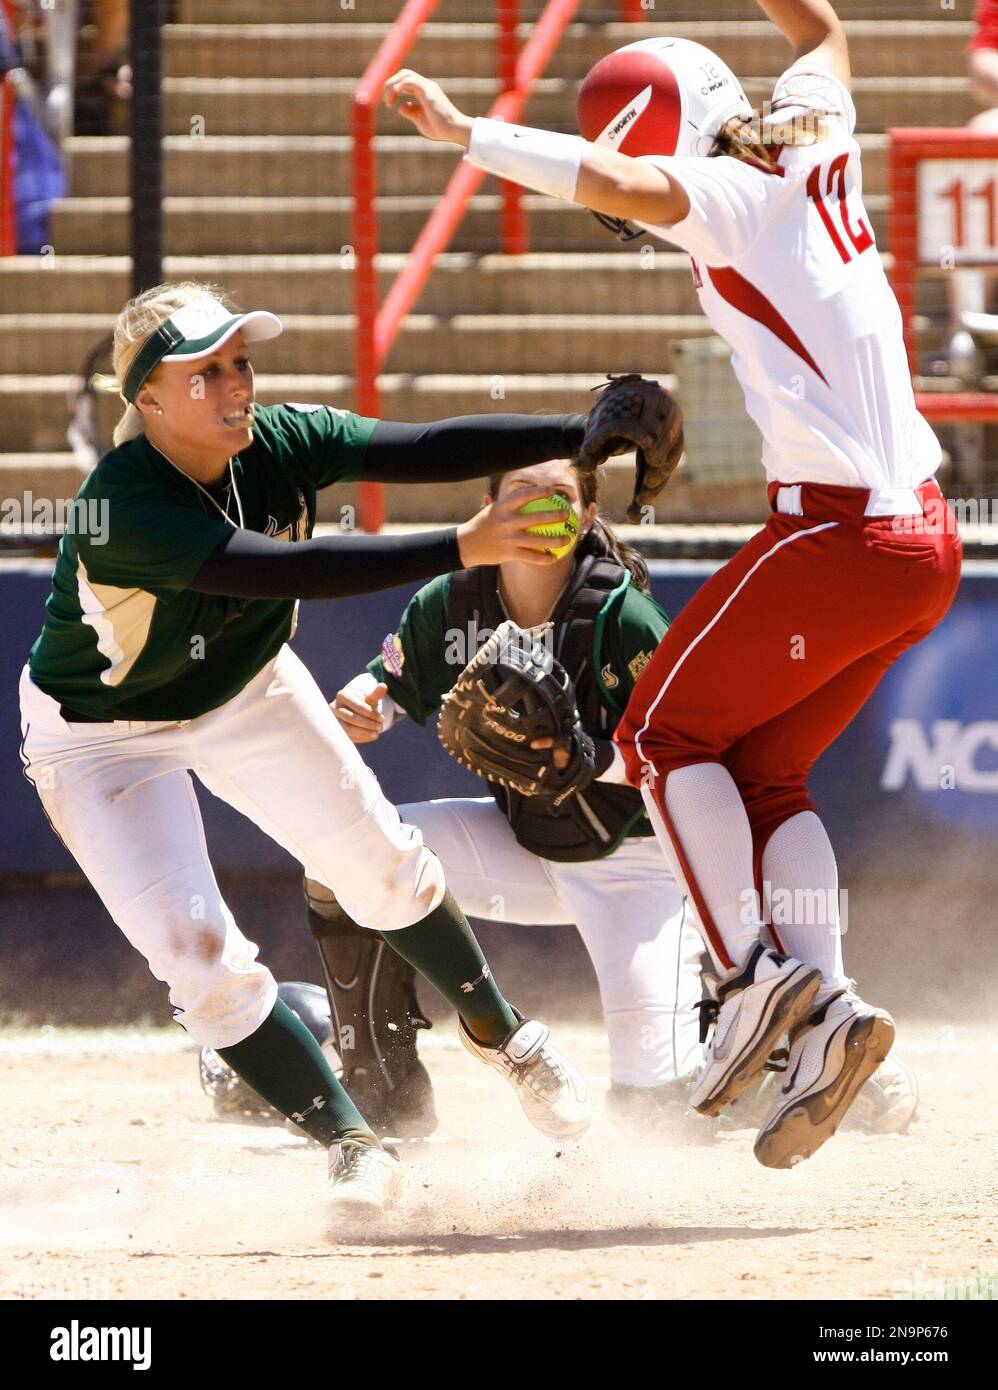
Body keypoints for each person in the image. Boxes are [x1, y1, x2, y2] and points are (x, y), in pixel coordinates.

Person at [386, 0, 962, 1168]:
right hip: (924, 539)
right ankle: (830, 1022)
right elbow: (823, 28)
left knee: (655, 736)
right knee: (764, 769)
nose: (631, 210)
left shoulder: (732, 196)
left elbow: (617, 178)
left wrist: (468, 132)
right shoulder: (816, 136)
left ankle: (752, 986)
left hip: (843, 532)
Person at [17, 281, 597, 1217]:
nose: (237, 382)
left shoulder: (279, 440)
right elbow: (291, 571)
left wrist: (584, 429)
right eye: (205, 371)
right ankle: (351, 1142)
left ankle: (503, 1032)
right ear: (149, 400)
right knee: (200, 961)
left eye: (240, 360)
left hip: (242, 684)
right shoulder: (124, 503)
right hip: (103, 739)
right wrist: (465, 544)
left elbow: (427, 446)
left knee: (384, 869)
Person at [311, 456, 705, 1141]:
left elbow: (693, 759)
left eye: (559, 498)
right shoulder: (454, 601)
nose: (539, 510)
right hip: (523, 845)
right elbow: (390, 686)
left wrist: (591, 761)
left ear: (586, 516)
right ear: (489, 509)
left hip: (638, 869)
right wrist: (367, 701)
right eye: (521, 495)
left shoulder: (623, 616)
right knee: (344, 854)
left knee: (661, 1122)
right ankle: (384, 1082)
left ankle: (762, 1062)